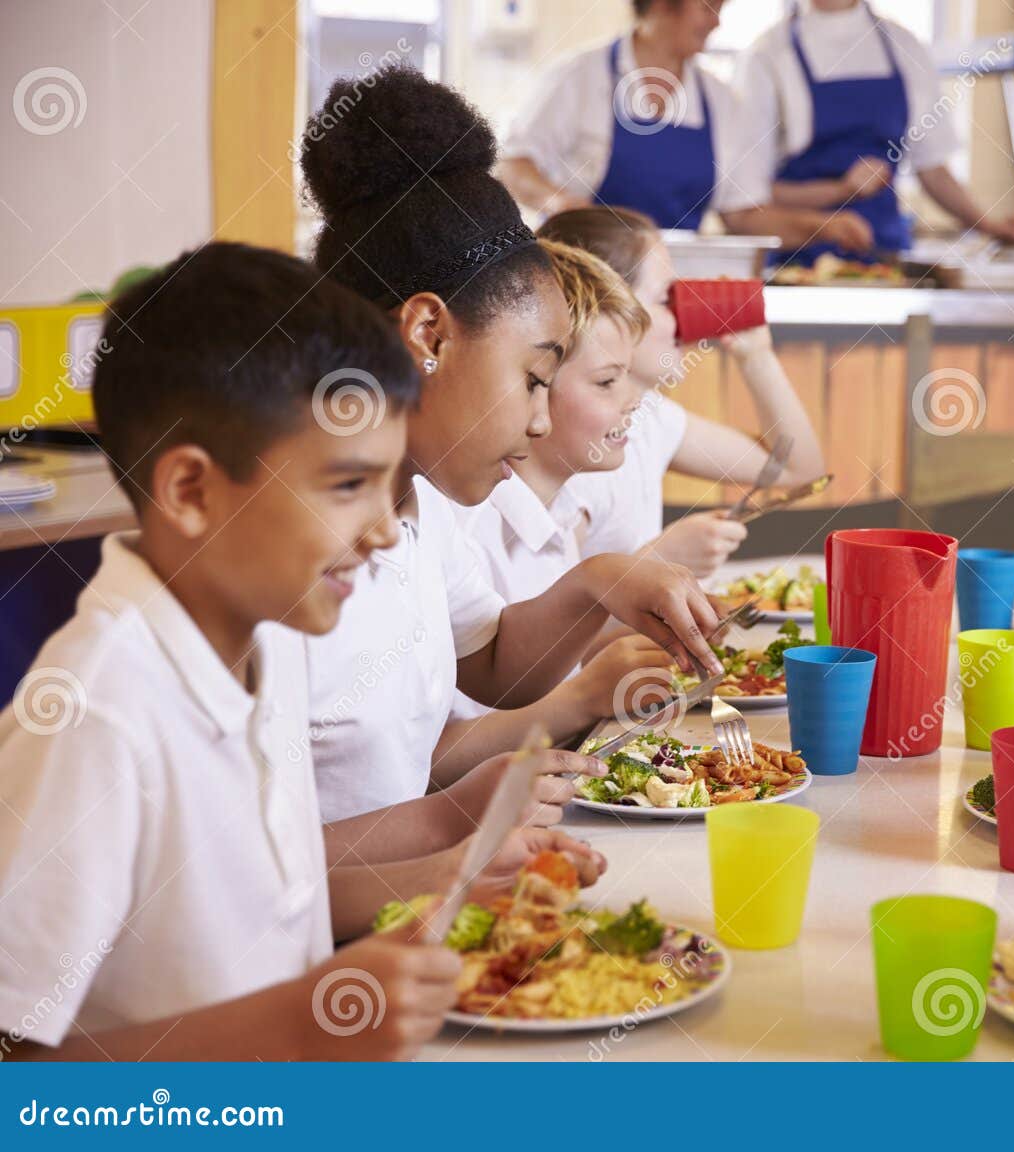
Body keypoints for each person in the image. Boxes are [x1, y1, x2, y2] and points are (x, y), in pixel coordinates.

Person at [0, 243, 464, 1059]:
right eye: (347, 486)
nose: (387, 530)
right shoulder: (98, 712)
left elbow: (256, 908)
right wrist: (296, 1025)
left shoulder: (270, 639)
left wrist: (446, 878)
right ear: (190, 491)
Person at [296, 67, 723, 836]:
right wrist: (450, 829)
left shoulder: (417, 503)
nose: (537, 421)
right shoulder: (284, 560)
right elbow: (247, 872)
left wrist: (601, 580)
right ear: (428, 336)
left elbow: (491, 665)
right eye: (533, 379)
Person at [438, 241, 675, 774]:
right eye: (608, 381)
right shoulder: (466, 527)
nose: (633, 399)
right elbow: (429, 756)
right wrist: (585, 695)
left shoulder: (562, 513)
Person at [539, 206, 826, 577]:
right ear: (611, 309)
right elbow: (552, 630)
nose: (684, 312)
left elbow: (797, 469)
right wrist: (656, 563)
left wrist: (757, 356)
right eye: (665, 298)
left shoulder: (646, 417)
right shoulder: (572, 457)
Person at [497, 0, 872, 255]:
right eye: (708, 6)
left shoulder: (721, 101)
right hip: (580, 282)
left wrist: (822, 226)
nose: (716, 21)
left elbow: (742, 215)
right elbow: (513, 166)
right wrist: (558, 201)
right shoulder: (579, 76)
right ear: (662, 4)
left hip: (672, 291)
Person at [737, 0, 1014, 264]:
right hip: (795, 266)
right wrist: (841, 191)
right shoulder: (768, 54)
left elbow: (934, 171)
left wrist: (989, 226)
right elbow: (749, 198)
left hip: (885, 260)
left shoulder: (904, 47)